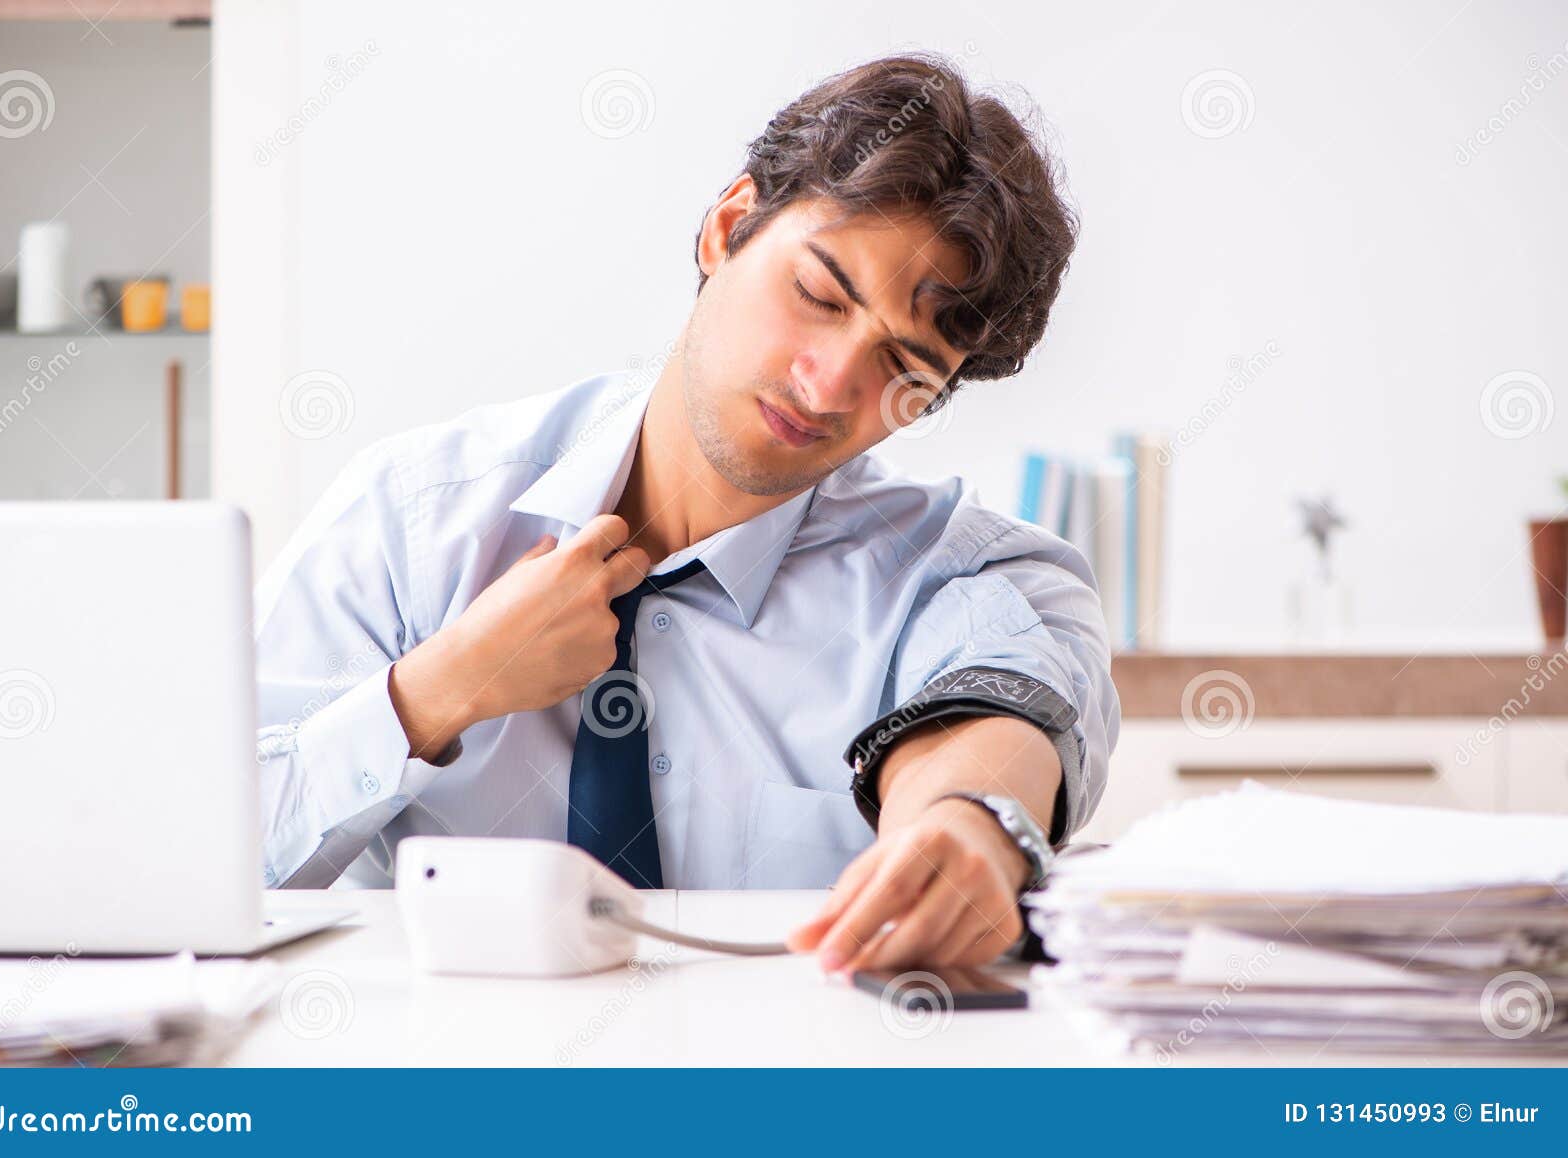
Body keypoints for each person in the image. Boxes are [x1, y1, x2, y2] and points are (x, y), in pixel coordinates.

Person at [253, 52, 1119, 973]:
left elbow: (999, 700)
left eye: (902, 368)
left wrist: (964, 823)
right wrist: (435, 694)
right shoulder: (411, 520)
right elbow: (196, 867)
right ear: (728, 227)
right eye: (819, 296)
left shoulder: (957, 575)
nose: (828, 385)